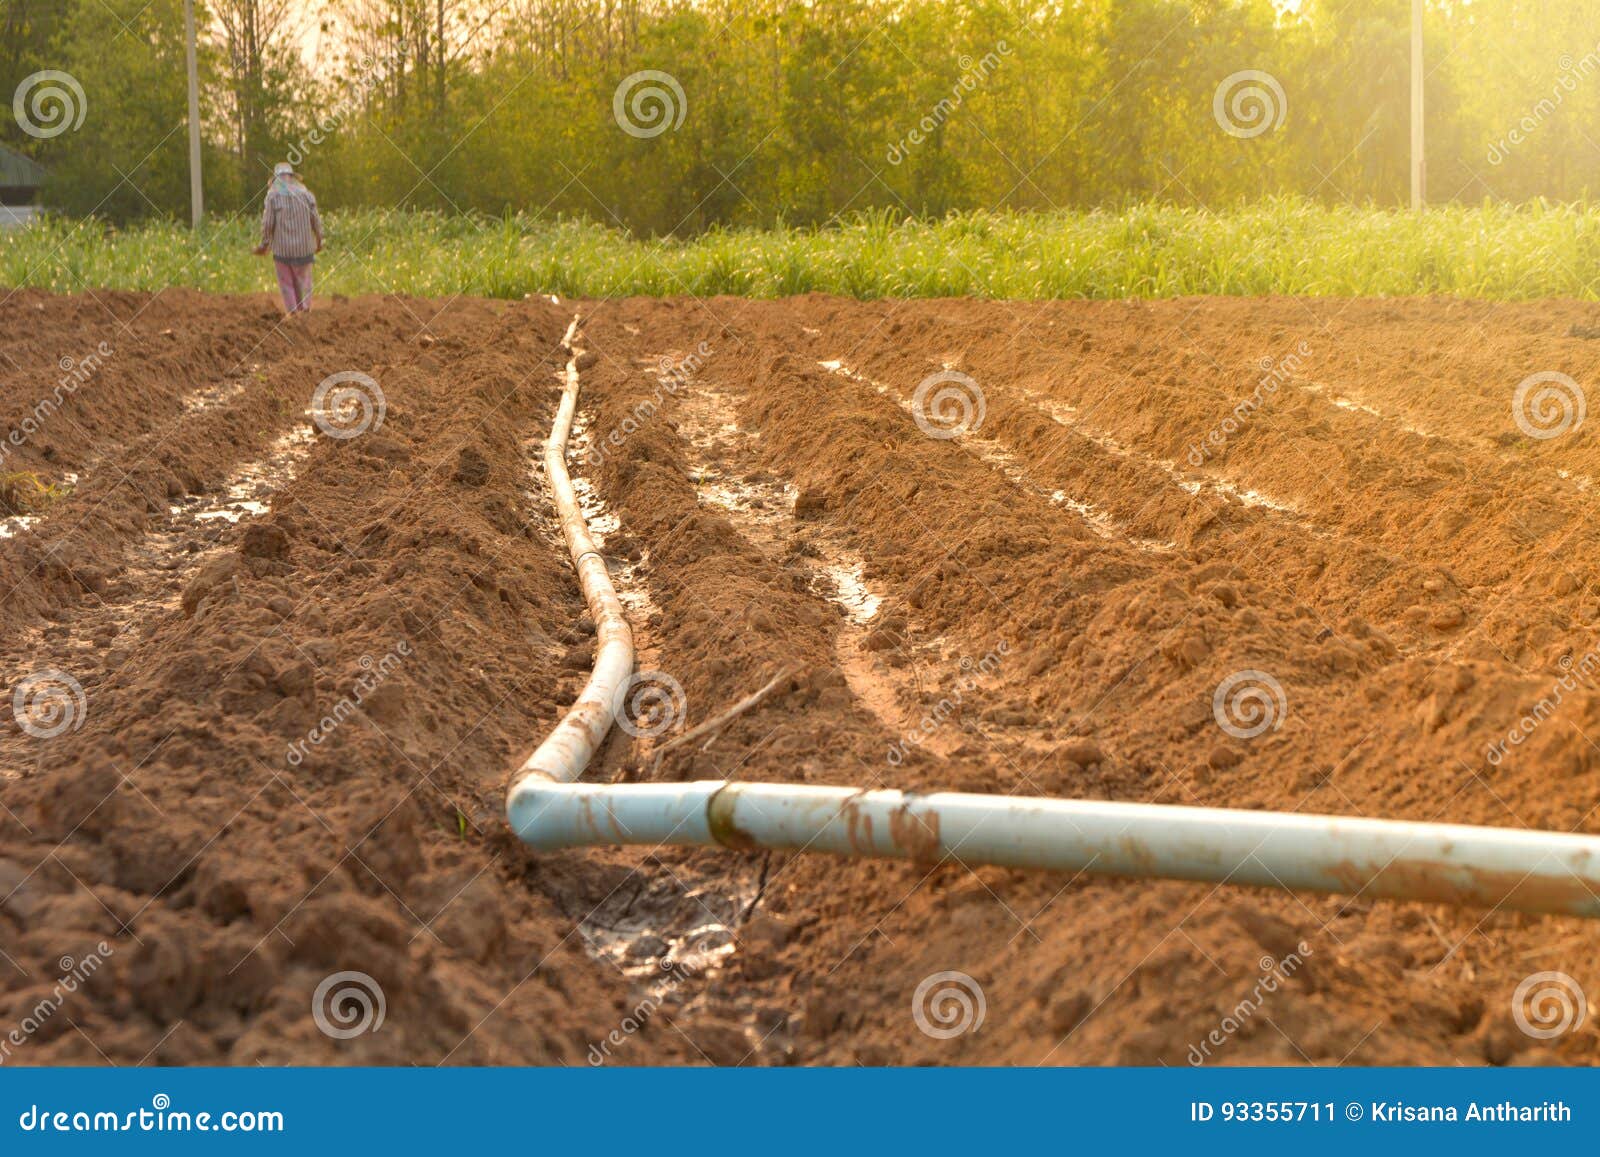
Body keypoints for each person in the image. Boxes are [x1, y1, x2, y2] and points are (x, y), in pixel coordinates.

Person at [254, 162, 323, 314]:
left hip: (283, 251)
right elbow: (316, 220)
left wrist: (264, 244)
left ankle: (293, 312)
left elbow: (268, 223)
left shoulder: (273, 196)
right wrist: (319, 240)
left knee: (287, 283)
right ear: (292, 178)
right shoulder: (306, 195)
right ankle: (304, 308)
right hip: (304, 248)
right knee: (303, 280)